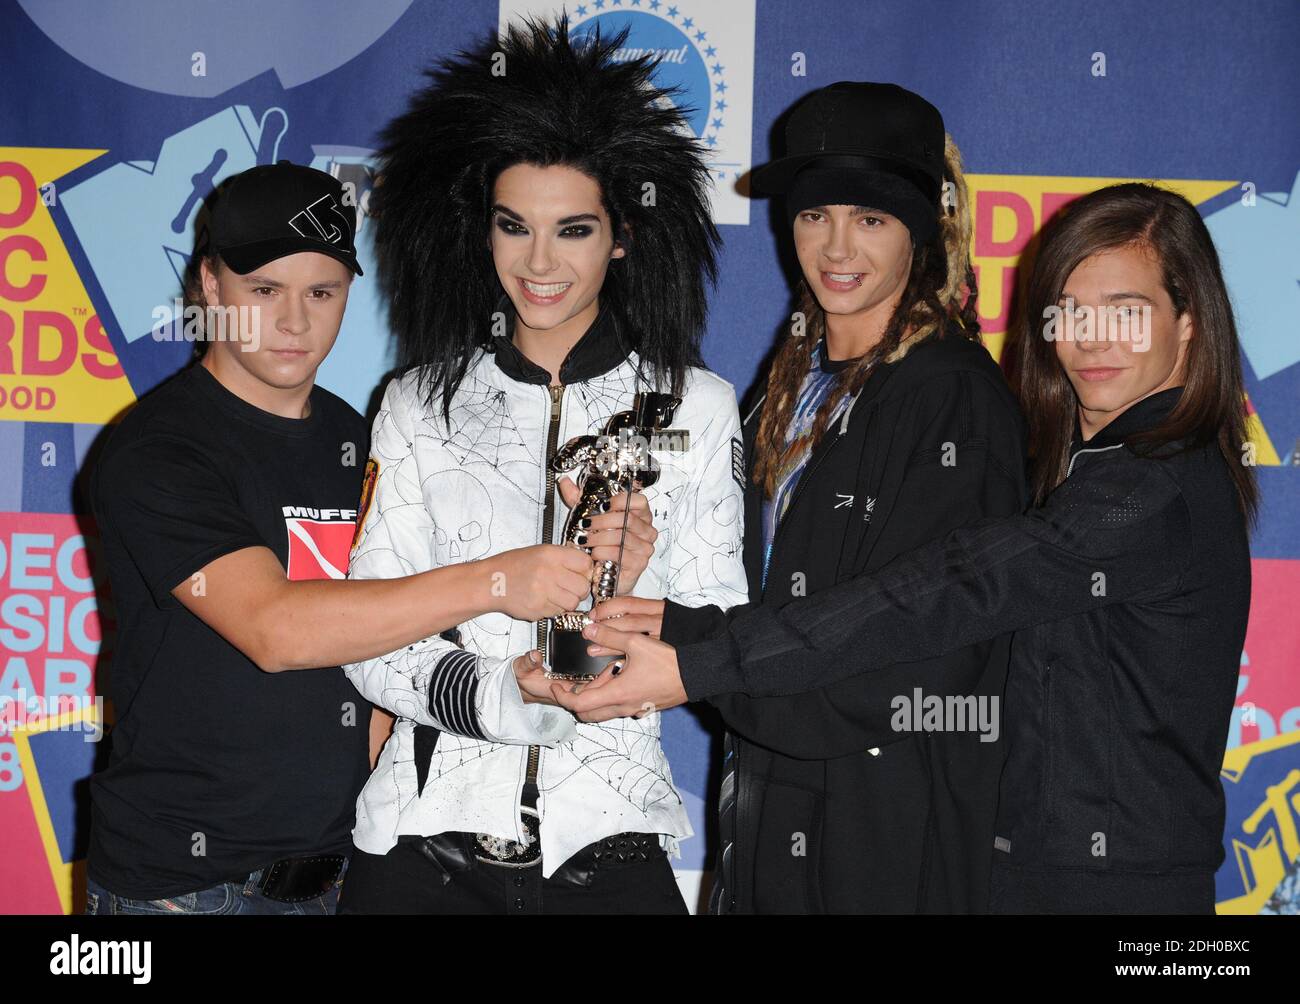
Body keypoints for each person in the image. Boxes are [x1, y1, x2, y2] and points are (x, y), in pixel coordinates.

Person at [563, 181, 1257, 915]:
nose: (1092, 339)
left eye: (1129, 313)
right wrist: (677, 625)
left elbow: (938, 594)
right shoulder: (1098, 471)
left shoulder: (1151, 490)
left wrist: (697, 662)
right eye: (1072, 311)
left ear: (1189, 323)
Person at [552, 81, 1028, 914]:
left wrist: (695, 665)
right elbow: (766, 609)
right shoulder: (788, 384)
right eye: (815, 216)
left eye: (872, 219)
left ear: (922, 229)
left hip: (887, 841)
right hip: (773, 816)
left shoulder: (951, 396)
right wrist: (653, 599)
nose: (837, 248)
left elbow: (911, 648)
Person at [86, 161, 592, 915]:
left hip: (343, 879)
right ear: (211, 287)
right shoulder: (158, 452)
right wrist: (494, 578)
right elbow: (275, 628)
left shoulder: (360, 441)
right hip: (181, 890)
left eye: (321, 292)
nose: (295, 320)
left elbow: (392, 651)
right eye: (264, 291)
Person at [334, 15, 748, 915]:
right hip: (418, 847)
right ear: (482, 232)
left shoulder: (698, 411)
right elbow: (365, 634)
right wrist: (497, 695)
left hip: (608, 843)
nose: (539, 262)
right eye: (513, 226)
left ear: (623, 237)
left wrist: (640, 593)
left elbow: (731, 646)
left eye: (575, 230)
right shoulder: (418, 403)